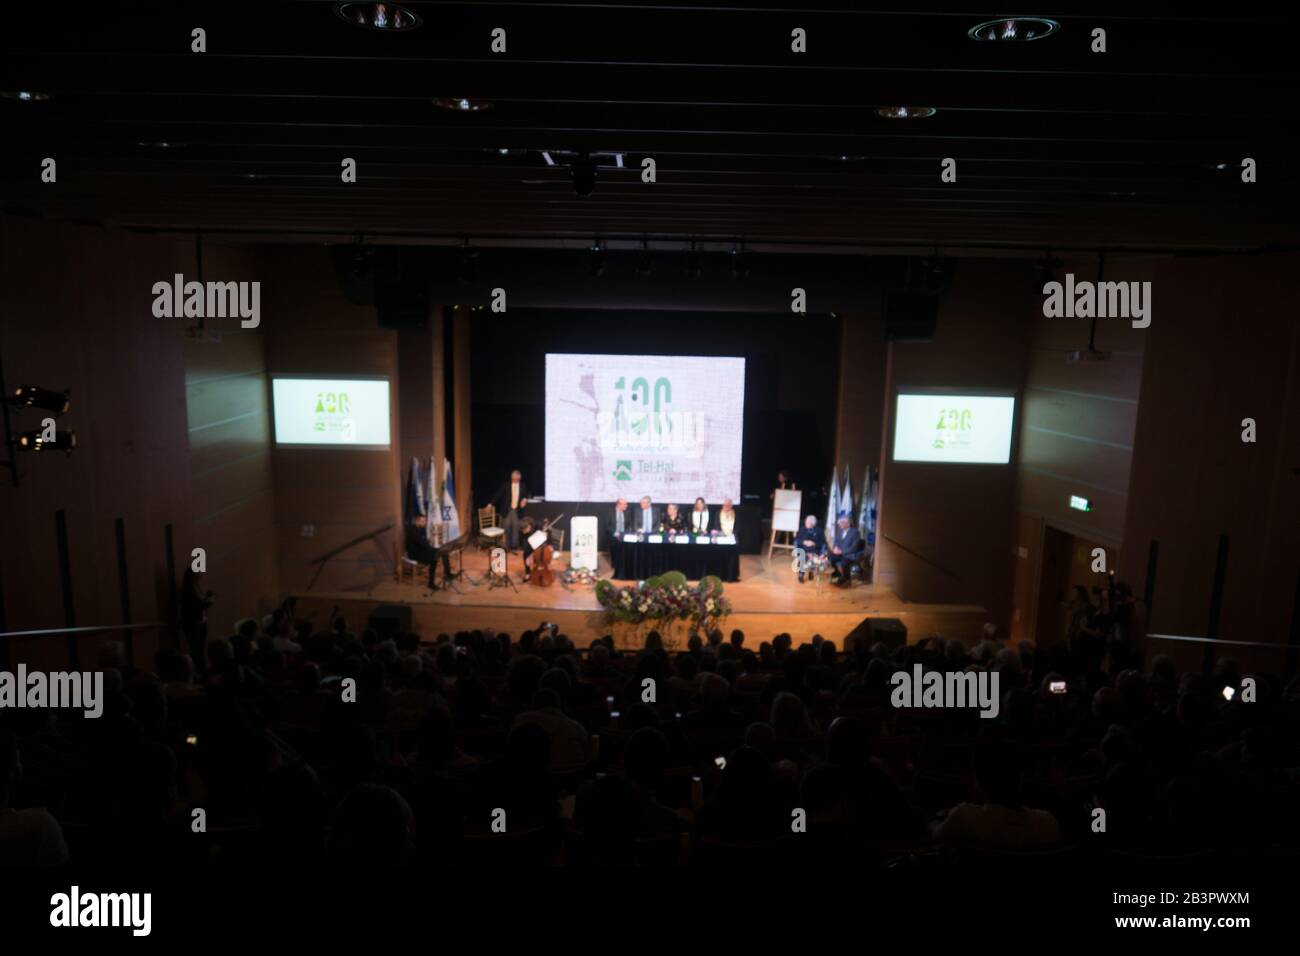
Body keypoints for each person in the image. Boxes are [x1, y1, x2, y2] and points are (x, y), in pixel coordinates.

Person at [179, 568, 214, 676]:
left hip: (199, 623)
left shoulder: (195, 589)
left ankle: (199, 672)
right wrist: (208, 600)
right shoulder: (188, 591)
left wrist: (207, 599)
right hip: (194, 624)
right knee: (197, 651)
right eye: (197, 575)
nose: (199, 576)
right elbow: (196, 607)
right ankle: (199, 673)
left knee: (199, 650)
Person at [406, 514, 451, 588]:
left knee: (443, 552)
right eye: (423, 521)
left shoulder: (421, 528)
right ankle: (431, 583)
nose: (425, 522)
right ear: (417, 521)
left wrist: (435, 550)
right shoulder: (412, 530)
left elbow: (425, 543)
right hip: (414, 553)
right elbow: (422, 544)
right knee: (434, 558)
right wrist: (434, 550)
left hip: (421, 550)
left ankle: (448, 574)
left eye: (425, 521)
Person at [492, 469, 529, 550]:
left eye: (516, 479)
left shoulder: (523, 486)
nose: (514, 480)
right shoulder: (506, 485)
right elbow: (498, 494)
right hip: (507, 509)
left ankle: (514, 546)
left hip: (516, 510)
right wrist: (491, 503)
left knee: (515, 527)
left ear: (519, 478)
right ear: (511, 477)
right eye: (513, 479)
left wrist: (524, 500)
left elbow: (525, 496)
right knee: (507, 527)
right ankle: (507, 545)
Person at [828, 512, 863, 583]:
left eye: (842, 522)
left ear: (848, 523)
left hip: (850, 554)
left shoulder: (855, 532)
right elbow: (836, 543)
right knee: (830, 557)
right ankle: (837, 572)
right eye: (840, 522)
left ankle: (846, 578)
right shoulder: (840, 532)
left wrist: (841, 552)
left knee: (843, 562)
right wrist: (835, 549)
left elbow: (854, 547)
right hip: (839, 553)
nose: (840, 524)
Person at [795, 514, 825, 583]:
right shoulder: (802, 529)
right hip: (803, 549)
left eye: (807, 522)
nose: (805, 523)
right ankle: (801, 574)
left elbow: (823, 542)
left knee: (812, 556)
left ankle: (810, 572)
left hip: (815, 549)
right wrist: (804, 541)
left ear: (812, 524)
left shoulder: (819, 530)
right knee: (803, 555)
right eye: (806, 521)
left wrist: (814, 543)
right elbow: (796, 539)